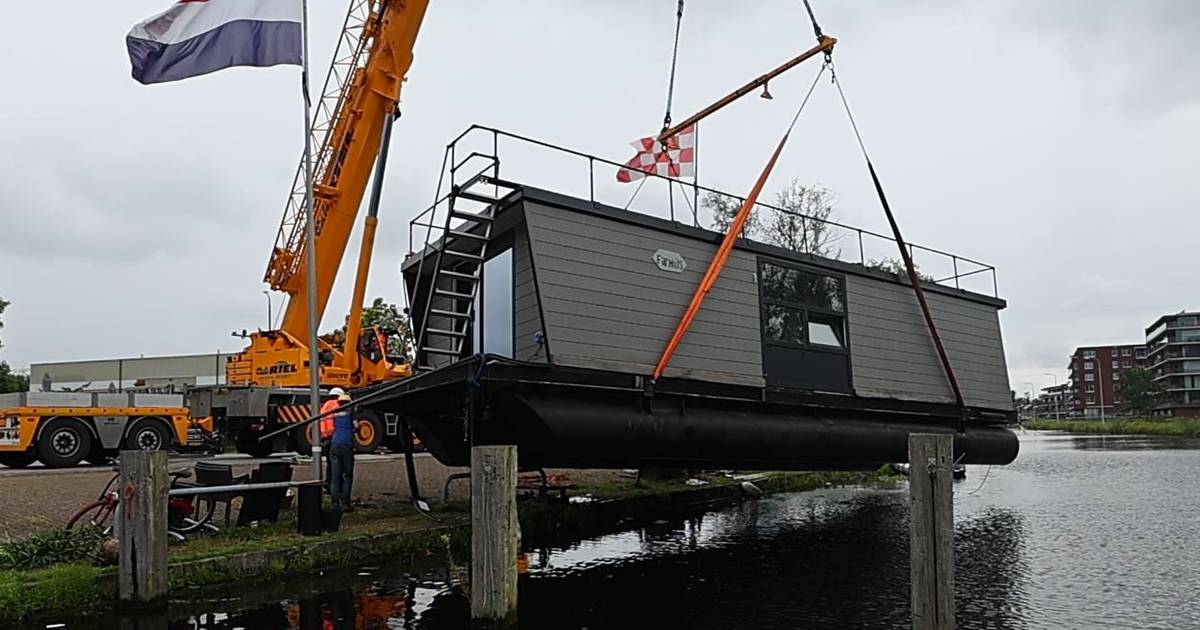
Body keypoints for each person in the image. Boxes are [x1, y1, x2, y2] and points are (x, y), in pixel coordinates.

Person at [328, 391, 356, 511]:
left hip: (334, 444)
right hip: (346, 445)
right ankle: (345, 503)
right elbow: (357, 425)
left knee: (335, 475)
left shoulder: (335, 413)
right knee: (348, 475)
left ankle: (335, 503)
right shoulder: (351, 413)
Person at [318, 387, 344, 488]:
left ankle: (328, 483)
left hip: (325, 438)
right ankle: (336, 485)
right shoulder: (337, 405)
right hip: (335, 437)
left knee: (330, 463)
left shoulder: (325, 406)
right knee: (337, 464)